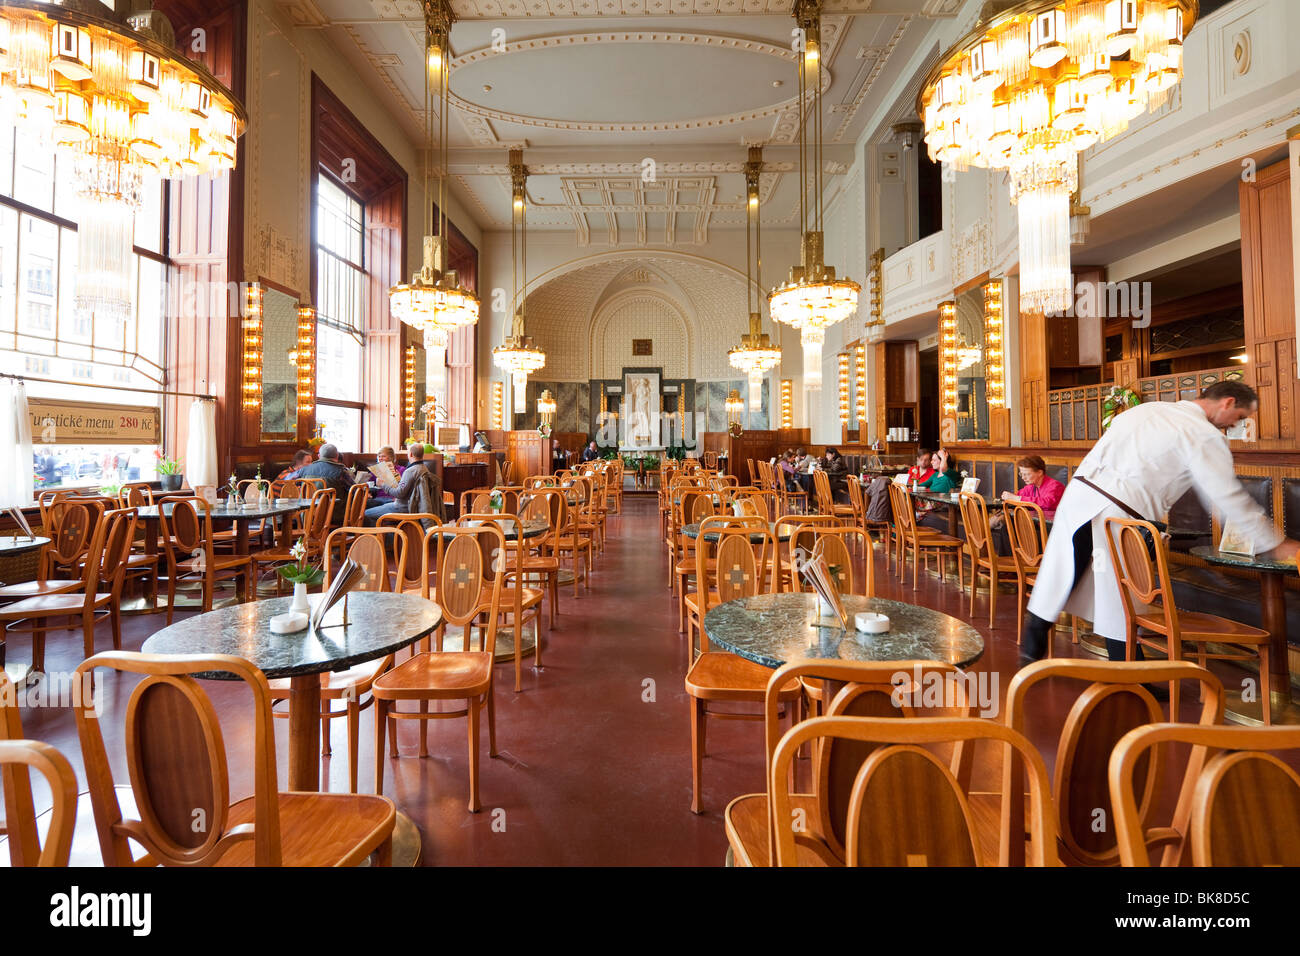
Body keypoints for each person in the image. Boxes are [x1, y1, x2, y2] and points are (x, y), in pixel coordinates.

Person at [1020, 381, 1300, 667]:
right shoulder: (1203, 434)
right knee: (1121, 594)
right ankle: (1130, 671)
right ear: (1227, 402)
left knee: (1070, 572)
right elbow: (1226, 497)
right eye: (1239, 418)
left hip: (1078, 496)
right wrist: (1275, 543)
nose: (1234, 425)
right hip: (1120, 513)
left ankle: (1040, 629)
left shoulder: (1145, 410)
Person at [365, 443, 439, 524]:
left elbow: (399, 493)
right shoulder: (424, 469)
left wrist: (382, 484)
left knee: (365, 514)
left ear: (410, 454)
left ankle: (388, 535)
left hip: (401, 507)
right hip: (410, 505)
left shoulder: (410, 471)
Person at [295, 443, 356, 525]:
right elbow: (356, 490)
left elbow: (292, 484)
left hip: (307, 516)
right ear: (337, 456)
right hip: (334, 517)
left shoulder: (304, 470)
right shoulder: (341, 471)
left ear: (319, 456)